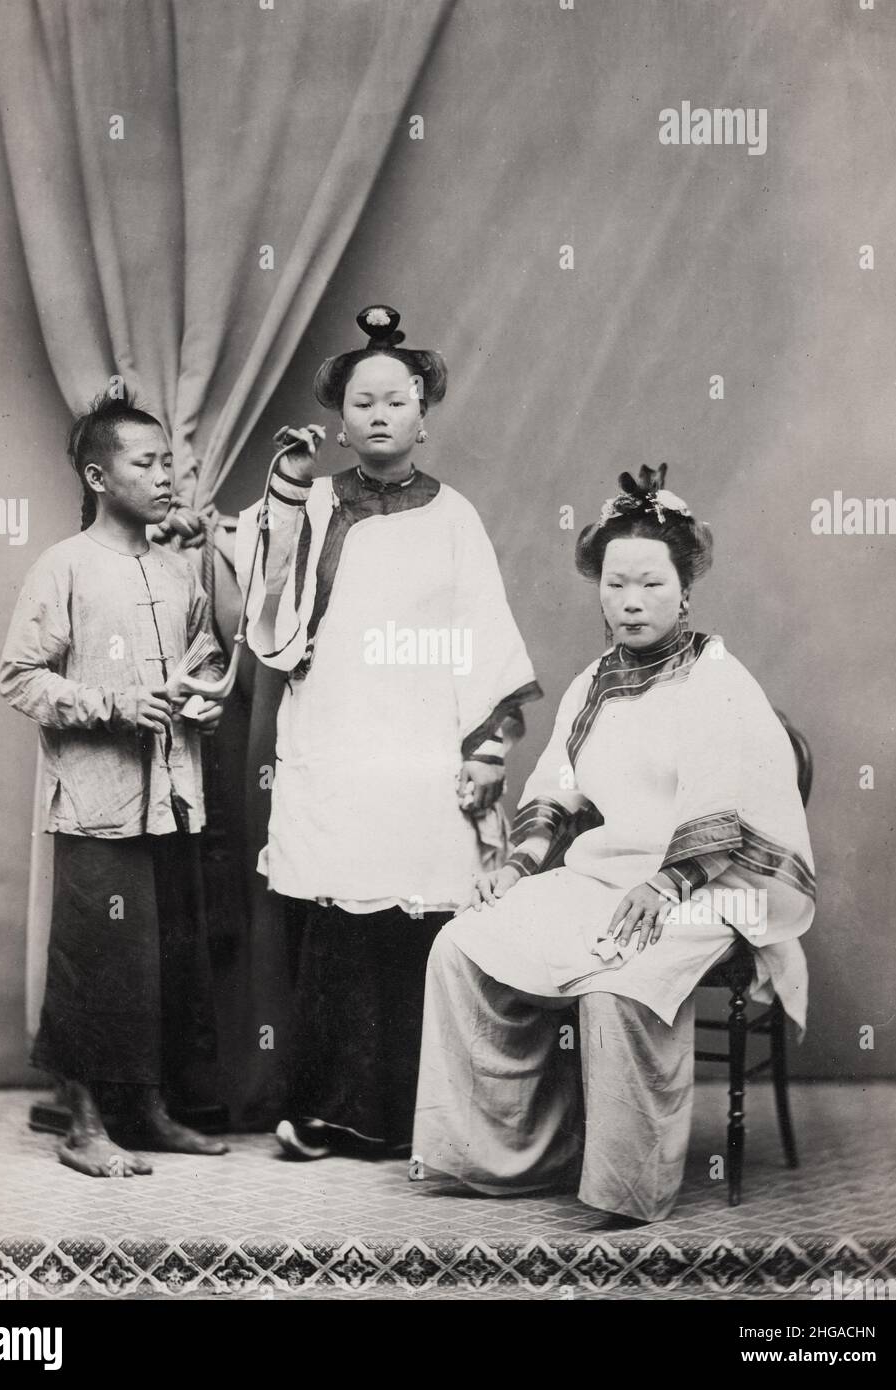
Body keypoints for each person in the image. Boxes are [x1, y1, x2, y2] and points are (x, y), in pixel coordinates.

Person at [413, 464, 816, 1223]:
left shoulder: (717, 680)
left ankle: (624, 1187)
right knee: (461, 947)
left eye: (650, 585)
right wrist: (518, 863)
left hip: (710, 885)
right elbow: (554, 790)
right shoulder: (592, 683)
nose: (630, 601)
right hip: (606, 877)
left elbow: (724, 808)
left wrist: (665, 885)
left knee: (616, 984)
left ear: (684, 589)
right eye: (614, 584)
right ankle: (508, 1156)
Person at [234, 305, 541, 1160]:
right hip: (338, 741)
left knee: (417, 930)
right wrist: (290, 492)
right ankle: (321, 1111)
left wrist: (487, 750)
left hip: (421, 749)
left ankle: (411, 1116)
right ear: (340, 419)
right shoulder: (317, 501)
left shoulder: (455, 518)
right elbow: (273, 625)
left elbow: (483, 634)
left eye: (395, 400)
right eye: (362, 402)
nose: (378, 414)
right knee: (338, 930)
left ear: (421, 415)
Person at [0, 387, 230, 1177]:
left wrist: (201, 698)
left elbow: (204, 666)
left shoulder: (177, 573)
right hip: (95, 806)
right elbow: (20, 677)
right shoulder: (63, 566)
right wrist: (113, 705)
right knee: (92, 962)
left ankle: (149, 1113)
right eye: (146, 462)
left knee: (163, 960)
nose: (165, 475)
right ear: (99, 477)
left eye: (169, 461)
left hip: (172, 803)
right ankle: (83, 1126)